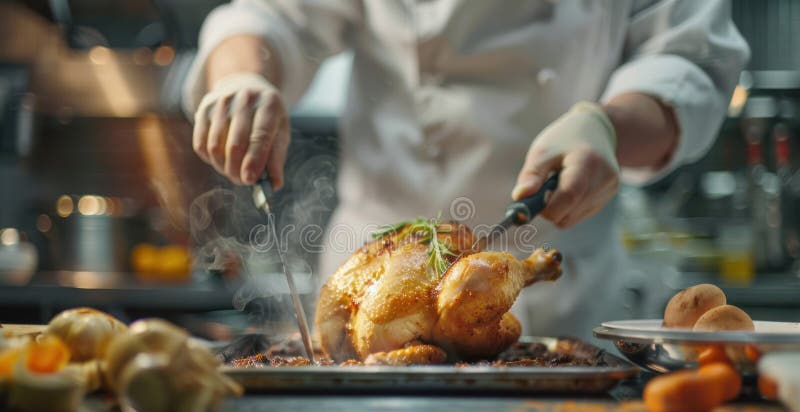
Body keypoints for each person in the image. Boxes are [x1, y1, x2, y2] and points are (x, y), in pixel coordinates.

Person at [183, 0, 749, 340]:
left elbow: (689, 60)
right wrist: (242, 79)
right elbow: (269, 15)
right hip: (369, 283)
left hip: (567, 290)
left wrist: (606, 126)